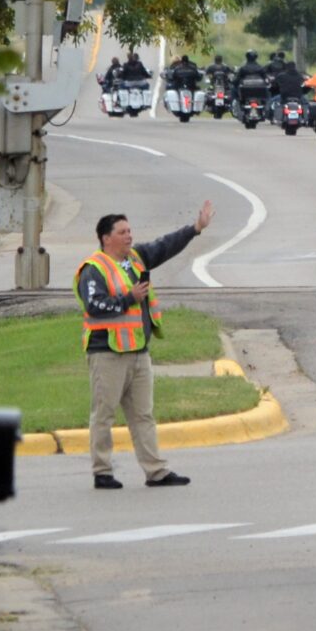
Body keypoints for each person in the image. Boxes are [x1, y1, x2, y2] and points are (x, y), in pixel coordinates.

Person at [74, 204, 213, 489]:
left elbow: (165, 246)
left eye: (130, 231)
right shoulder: (94, 269)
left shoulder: (136, 259)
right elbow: (94, 304)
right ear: (105, 238)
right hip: (107, 354)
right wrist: (129, 298)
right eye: (122, 232)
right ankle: (102, 472)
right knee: (104, 414)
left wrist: (195, 229)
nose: (129, 236)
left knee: (143, 415)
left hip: (137, 352)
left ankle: (156, 471)